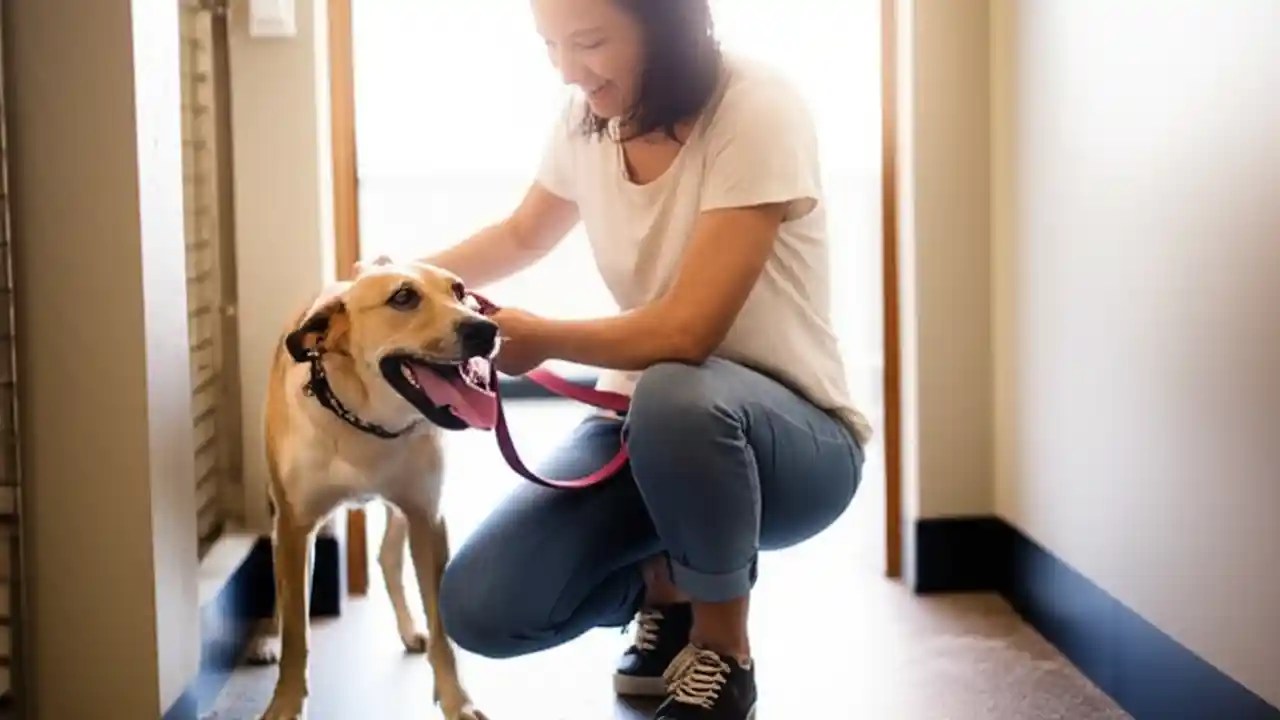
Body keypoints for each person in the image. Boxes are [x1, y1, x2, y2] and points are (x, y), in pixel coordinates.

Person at [429, 1, 872, 718]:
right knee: (481, 606)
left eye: (591, 42)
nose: (570, 71)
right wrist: (388, 281)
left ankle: (723, 652)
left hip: (793, 446)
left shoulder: (757, 107)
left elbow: (688, 332)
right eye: (551, 47)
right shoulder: (586, 117)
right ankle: (661, 584)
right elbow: (519, 235)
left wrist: (544, 337)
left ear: (665, 25)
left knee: (674, 393)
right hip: (648, 428)